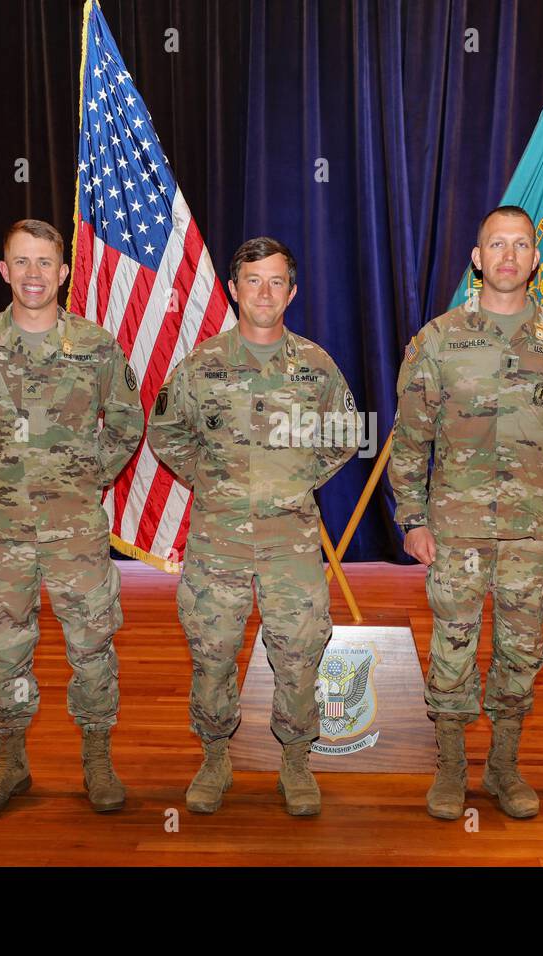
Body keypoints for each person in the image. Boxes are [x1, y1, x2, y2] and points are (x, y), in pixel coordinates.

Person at [389, 205, 543, 820]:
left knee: (521, 650)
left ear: (536, 260)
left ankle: (505, 766)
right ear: (477, 259)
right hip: (454, 530)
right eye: (495, 245)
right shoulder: (438, 340)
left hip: (533, 533)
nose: (508, 257)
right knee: (452, 649)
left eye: (520, 246)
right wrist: (413, 518)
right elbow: (409, 439)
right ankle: (452, 767)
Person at [0, 218, 144, 817]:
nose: (33, 274)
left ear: (63, 272)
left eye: (45, 263)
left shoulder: (96, 345)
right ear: (5, 271)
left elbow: (127, 420)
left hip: (75, 530)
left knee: (92, 645)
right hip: (1, 532)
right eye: (21, 262)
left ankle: (97, 761)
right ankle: (10, 762)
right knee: (5, 649)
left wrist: (85, 478)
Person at [147, 237, 359, 816]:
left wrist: (293, 482)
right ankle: (215, 757)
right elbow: (166, 433)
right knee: (213, 654)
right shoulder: (201, 366)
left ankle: (295, 761)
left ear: (291, 292)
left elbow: (345, 435)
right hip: (218, 545)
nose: (263, 293)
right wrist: (213, 482)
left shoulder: (316, 367)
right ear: (234, 290)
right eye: (252, 281)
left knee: (298, 655)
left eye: (275, 282)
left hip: (291, 544)